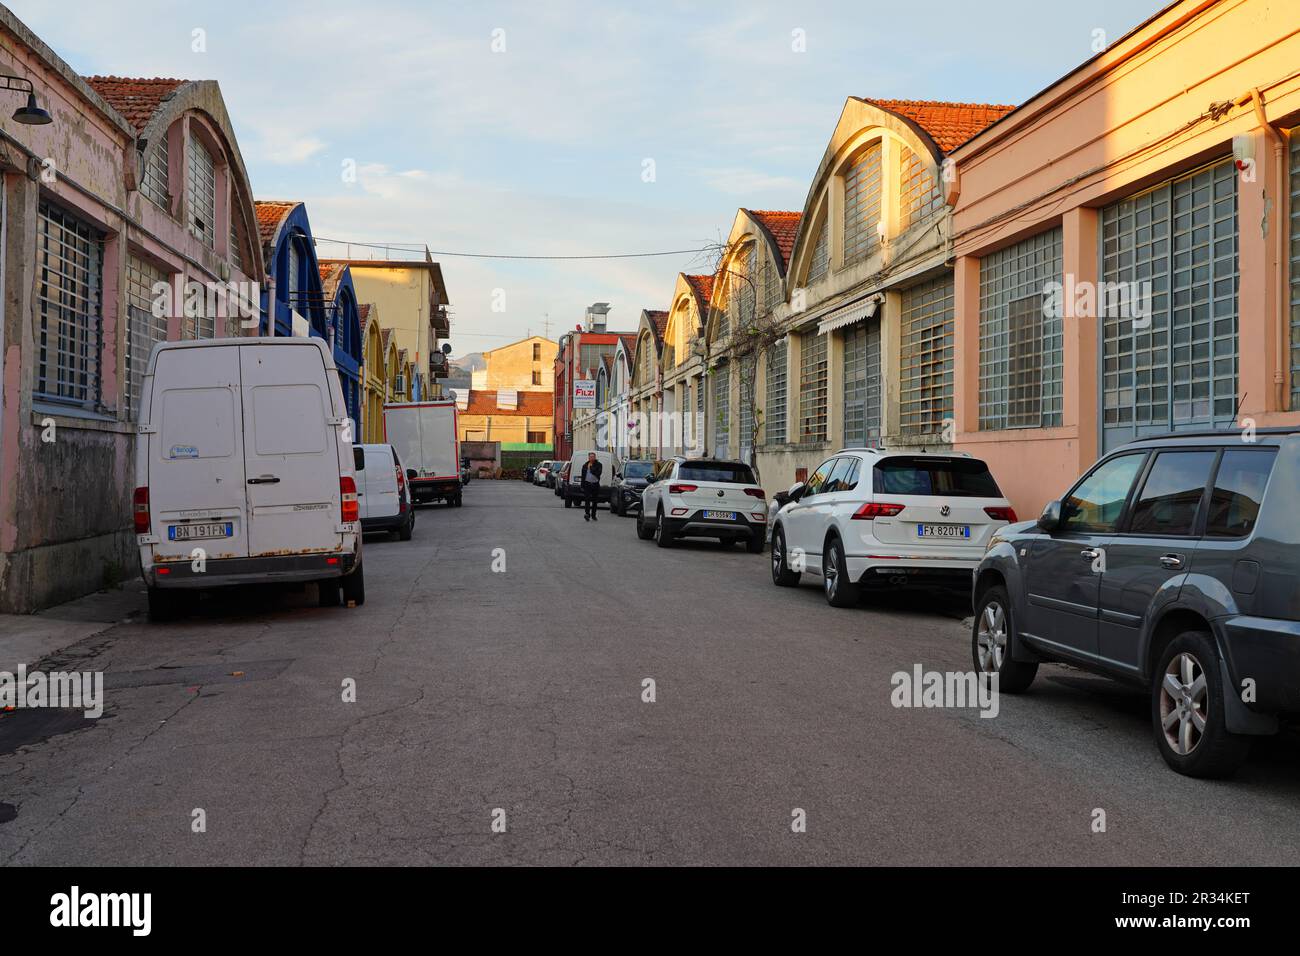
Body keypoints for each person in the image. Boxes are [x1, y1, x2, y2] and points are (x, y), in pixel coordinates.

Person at [579, 452, 602, 521]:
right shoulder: (585, 465)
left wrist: (591, 468)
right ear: (588, 458)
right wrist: (582, 485)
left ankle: (593, 515)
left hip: (595, 484)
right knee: (587, 500)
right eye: (590, 457)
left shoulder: (599, 465)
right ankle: (587, 514)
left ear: (595, 458)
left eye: (593, 457)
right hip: (587, 484)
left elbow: (598, 473)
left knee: (595, 501)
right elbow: (583, 476)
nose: (591, 458)